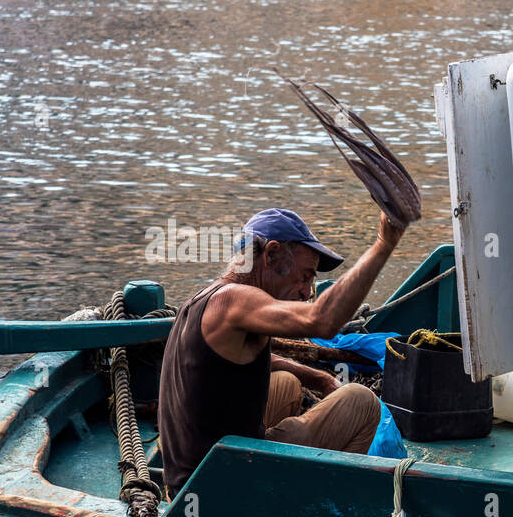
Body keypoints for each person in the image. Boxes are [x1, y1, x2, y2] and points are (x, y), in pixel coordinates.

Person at [157, 207, 404, 495]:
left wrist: (317, 377)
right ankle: (311, 505)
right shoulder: (237, 301)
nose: (306, 292)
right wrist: (384, 244)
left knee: (287, 384)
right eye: (304, 277)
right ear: (271, 254)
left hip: (190, 477)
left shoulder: (206, 297)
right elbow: (321, 321)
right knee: (362, 402)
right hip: (219, 487)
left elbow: (246, 361)